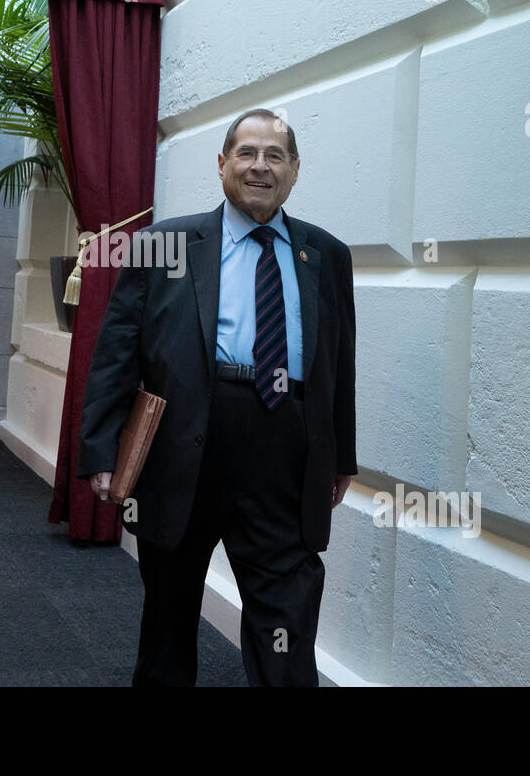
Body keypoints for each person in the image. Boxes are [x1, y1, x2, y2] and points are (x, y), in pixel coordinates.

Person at [79, 108, 356, 686]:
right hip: (184, 448)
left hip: (286, 450)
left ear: (296, 170)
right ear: (223, 165)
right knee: (169, 619)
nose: (260, 166)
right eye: (247, 153)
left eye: (275, 155)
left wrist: (341, 457)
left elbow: (340, 361)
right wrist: (101, 450)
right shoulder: (164, 245)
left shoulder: (327, 255)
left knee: (288, 617)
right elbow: (115, 354)